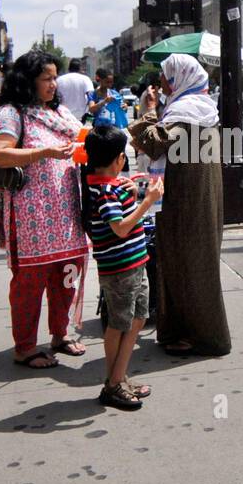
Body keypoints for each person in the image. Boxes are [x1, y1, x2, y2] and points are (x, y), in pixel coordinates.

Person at [0, 50, 89, 367]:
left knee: (67, 275)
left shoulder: (57, 112)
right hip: (30, 216)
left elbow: (78, 141)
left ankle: (60, 334)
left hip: (65, 211)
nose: (54, 84)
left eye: (55, 77)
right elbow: (1, 154)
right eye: (47, 78)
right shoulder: (11, 113)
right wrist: (45, 152)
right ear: (28, 81)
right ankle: (25, 346)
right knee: (29, 283)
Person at [128, 54, 231, 356]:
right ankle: (183, 330)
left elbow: (156, 142)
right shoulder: (201, 108)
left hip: (187, 202)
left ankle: (205, 337)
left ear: (178, 79)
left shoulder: (185, 112)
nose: (160, 83)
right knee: (187, 265)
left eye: (164, 77)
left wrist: (148, 111)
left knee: (191, 267)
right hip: (198, 198)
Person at [83, 125, 162, 410]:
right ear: (118, 159)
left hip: (134, 263)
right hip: (120, 269)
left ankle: (119, 377)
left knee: (137, 318)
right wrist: (147, 202)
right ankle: (114, 384)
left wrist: (130, 189)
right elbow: (120, 228)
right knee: (119, 323)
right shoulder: (103, 191)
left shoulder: (108, 185)